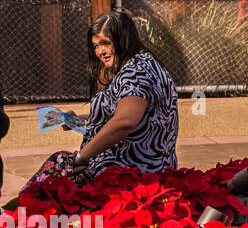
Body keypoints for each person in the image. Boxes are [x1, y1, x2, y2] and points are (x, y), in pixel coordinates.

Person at [72, 11, 178, 178]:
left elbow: (124, 122)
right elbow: (125, 118)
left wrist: (81, 157)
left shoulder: (135, 73)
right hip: (144, 169)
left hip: (129, 176)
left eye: (105, 43)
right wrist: (76, 121)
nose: (101, 51)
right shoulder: (144, 63)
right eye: (95, 46)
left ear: (124, 39)